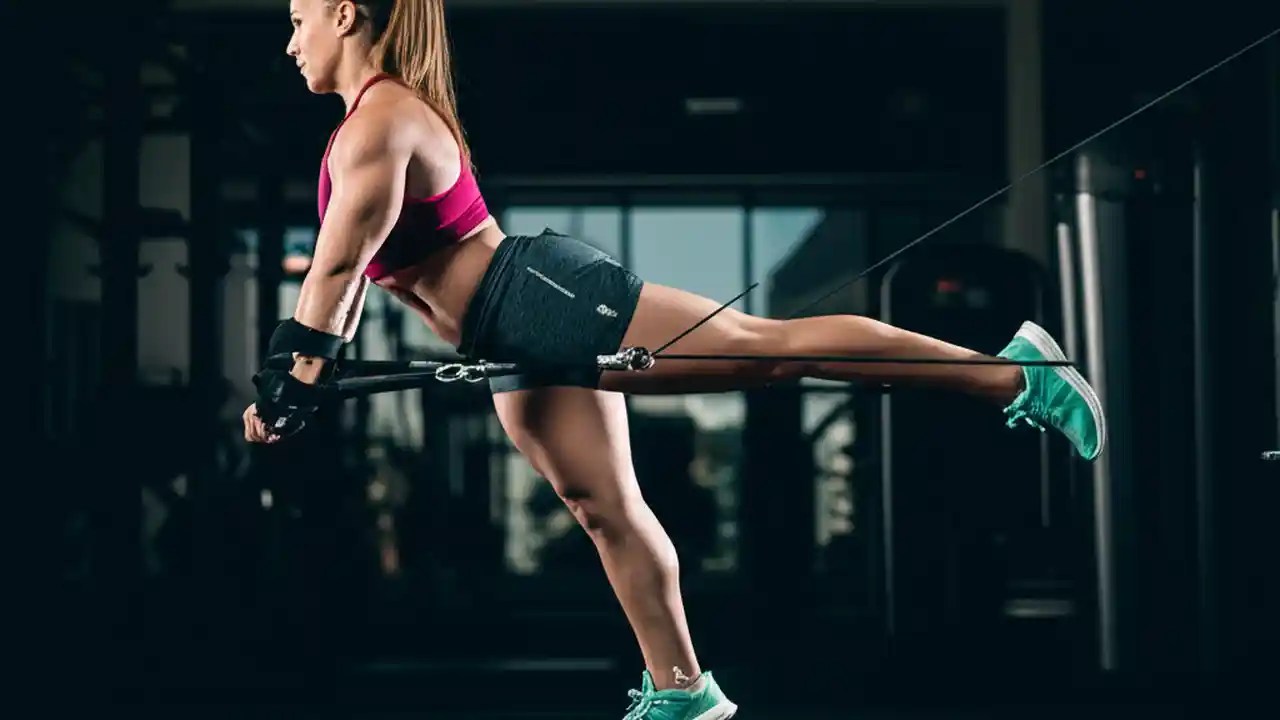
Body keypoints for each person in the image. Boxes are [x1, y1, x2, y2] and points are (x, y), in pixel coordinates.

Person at [243, 1, 1106, 717]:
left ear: (345, 14)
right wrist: (297, 379)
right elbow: (344, 284)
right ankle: (685, 694)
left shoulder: (385, 117)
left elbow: (337, 270)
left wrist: (293, 379)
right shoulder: (361, 126)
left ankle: (1016, 373)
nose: (289, 42)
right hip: (502, 337)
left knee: (770, 354)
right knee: (602, 508)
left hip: (540, 295)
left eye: (298, 20)